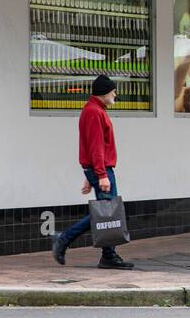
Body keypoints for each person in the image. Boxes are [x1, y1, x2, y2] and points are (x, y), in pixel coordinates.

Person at [53, 74, 134, 269]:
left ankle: (108, 255)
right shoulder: (94, 112)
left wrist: (91, 175)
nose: (116, 93)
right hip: (102, 169)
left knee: (107, 212)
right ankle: (64, 239)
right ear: (105, 92)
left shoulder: (95, 110)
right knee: (106, 212)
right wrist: (101, 174)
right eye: (113, 90)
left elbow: (92, 147)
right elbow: (96, 147)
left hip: (99, 168)